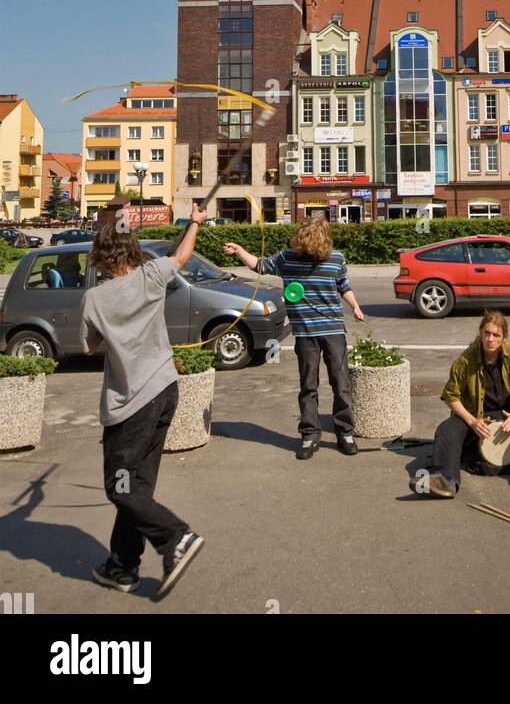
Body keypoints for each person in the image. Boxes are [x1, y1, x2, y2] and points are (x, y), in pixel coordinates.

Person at [81, 201, 207, 596]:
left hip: (131, 405)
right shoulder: (153, 274)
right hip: (165, 392)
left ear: (101, 257)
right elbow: (182, 256)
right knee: (136, 486)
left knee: (120, 488)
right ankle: (123, 566)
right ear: (132, 251)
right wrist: (194, 222)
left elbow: (87, 347)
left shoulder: (95, 300)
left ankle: (176, 538)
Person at [224, 217, 364, 459]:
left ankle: (345, 433)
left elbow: (344, 286)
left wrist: (355, 306)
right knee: (308, 385)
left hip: (333, 331)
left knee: (341, 384)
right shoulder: (288, 258)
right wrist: (239, 251)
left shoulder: (337, 259)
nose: (303, 245)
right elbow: (259, 265)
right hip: (305, 333)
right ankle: (310, 436)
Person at [411, 311, 510, 498]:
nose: (490, 339)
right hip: (476, 416)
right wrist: (472, 422)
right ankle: (445, 479)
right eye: (487, 333)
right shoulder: (466, 360)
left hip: (508, 412)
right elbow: (450, 396)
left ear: (503, 337)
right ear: (480, 333)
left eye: (496, 335)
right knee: (446, 429)